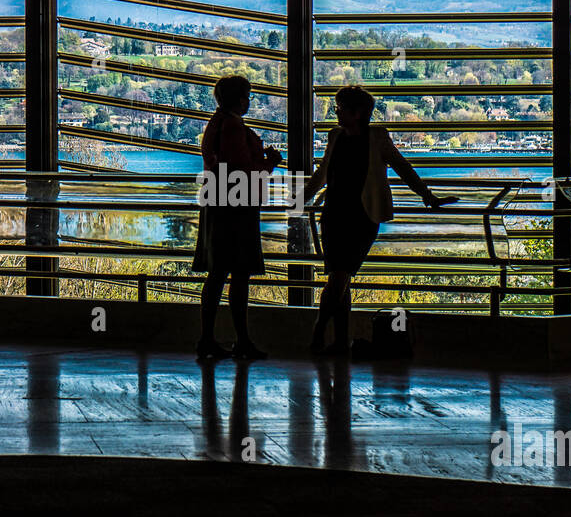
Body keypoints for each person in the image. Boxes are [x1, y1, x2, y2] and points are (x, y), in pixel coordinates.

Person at [303, 85, 456, 355]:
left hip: (358, 218)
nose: (336, 111)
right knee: (342, 277)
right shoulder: (336, 136)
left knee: (339, 275)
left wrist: (426, 195)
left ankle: (318, 333)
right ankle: (339, 342)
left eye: (340, 108)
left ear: (357, 112)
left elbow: (402, 166)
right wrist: (301, 197)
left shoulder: (376, 138)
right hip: (338, 216)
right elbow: (323, 173)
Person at [193, 75, 282, 360]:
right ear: (239, 99)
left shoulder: (217, 123)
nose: (250, 101)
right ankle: (241, 341)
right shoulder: (232, 124)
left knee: (218, 272)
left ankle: (208, 338)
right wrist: (271, 163)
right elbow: (244, 172)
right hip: (236, 207)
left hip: (218, 202)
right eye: (248, 96)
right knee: (239, 272)